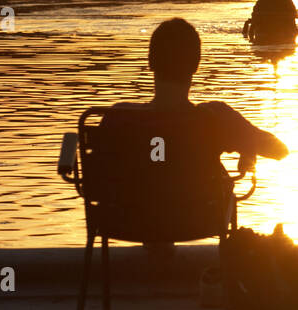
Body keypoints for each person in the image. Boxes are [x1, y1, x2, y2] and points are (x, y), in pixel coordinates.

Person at [102, 18, 288, 196]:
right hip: (198, 222)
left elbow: (98, 178)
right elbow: (280, 150)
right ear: (196, 65)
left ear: (150, 61)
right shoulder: (214, 118)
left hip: (129, 223)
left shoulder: (118, 117)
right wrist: (248, 145)